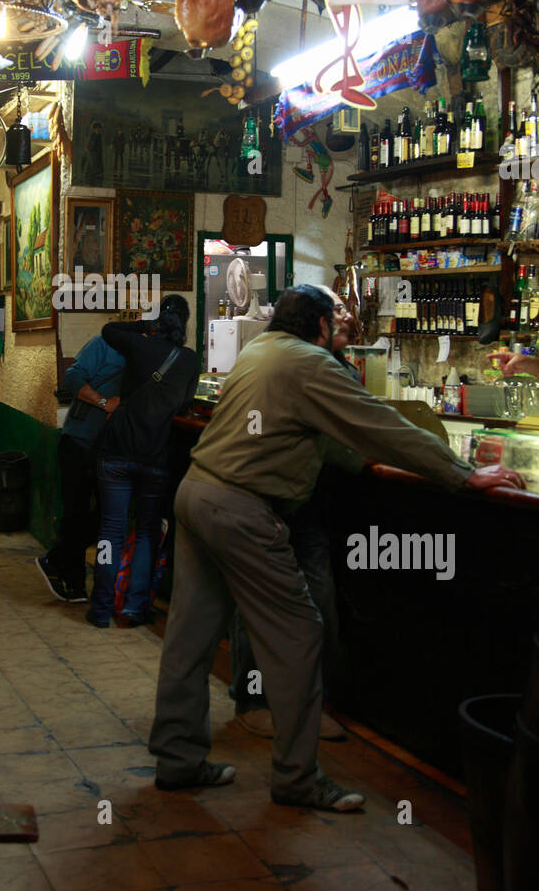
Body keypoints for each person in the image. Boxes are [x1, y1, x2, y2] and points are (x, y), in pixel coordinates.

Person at [149, 284, 524, 809]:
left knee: (190, 638)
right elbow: (378, 424)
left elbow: (320, 436)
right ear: (322, 327)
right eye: (338, 316)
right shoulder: (310, 363)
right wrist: (461, 475)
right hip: (242, 509)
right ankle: (297, 778)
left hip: (197, 494)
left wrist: (372, 464)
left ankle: (177, 759)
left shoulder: (261, 351)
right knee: (301, 636)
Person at [230, 286, 359, 741]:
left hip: (313, 507)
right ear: (316, 323)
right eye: (335, 310)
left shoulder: (344, 370)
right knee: (259, 608)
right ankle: (253, 701)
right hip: (272, 501)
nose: (343, 317)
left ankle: (310, 705)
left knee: (319, 606)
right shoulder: (293, 362)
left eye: (344, 308)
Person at [89, 296, 199, 628]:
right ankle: (134, 609)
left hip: (117, 453)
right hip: (156, 456)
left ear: (157, 321)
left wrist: (146, 327)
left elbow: (109, 330)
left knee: (111, 531)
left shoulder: (139, 346)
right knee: (149, 532)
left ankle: (101, 610)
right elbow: (184, 406)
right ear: (186, 323)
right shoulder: (191, 360)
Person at [35, 333, 125, 603]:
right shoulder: (105, 344)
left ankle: (57, 560)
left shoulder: (147, 353)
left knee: (105, 514)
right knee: (76, 512)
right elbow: (72, 378)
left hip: (109, 448)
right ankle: (72, 582)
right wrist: (103, 402)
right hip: (79, 441)